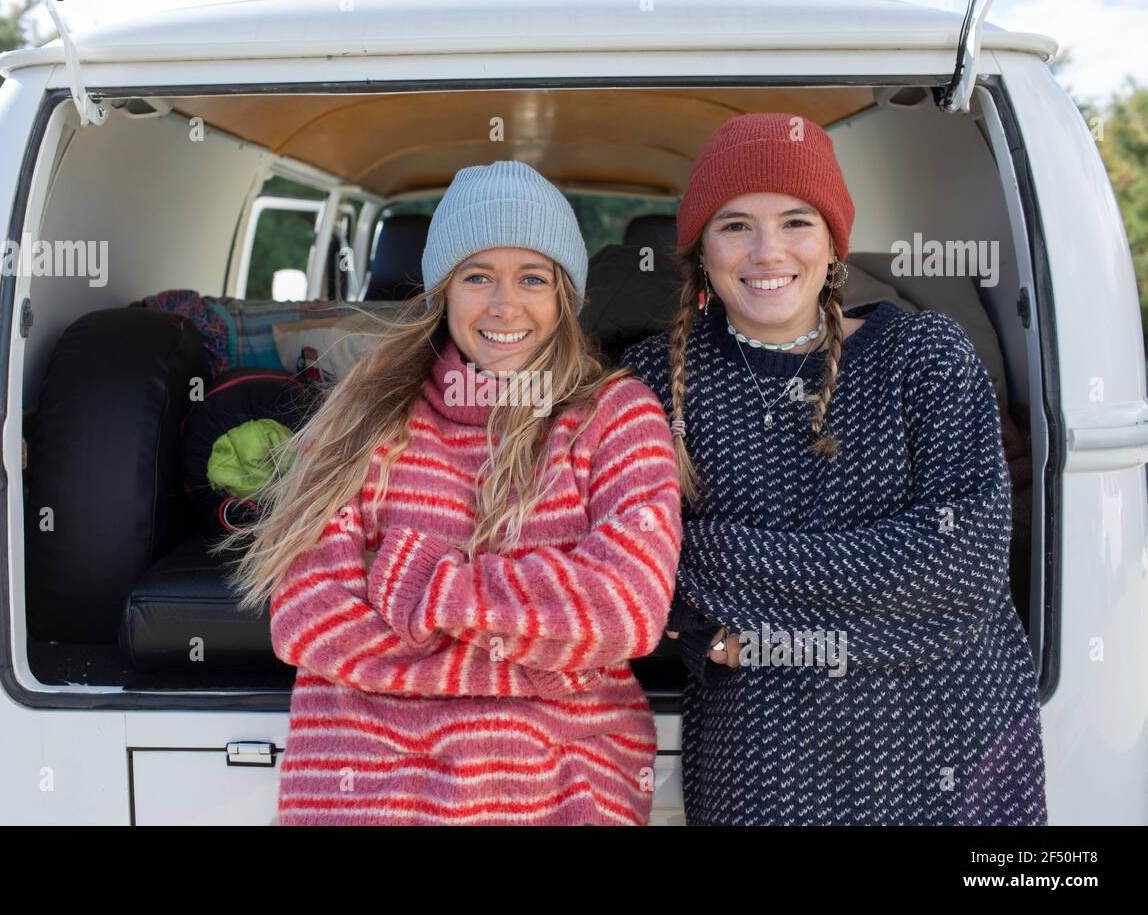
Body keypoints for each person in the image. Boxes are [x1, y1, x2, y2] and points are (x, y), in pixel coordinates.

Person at [224, 159, 681, 825]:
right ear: (442, 291)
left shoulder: (617, 415)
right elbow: (308, 619)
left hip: (560, 790)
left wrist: (421, 588)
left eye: (532, 277)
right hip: (366, 788)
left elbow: (625, 610)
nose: (504, 305)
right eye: (476, 277)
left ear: (567, 296)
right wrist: (539, 654)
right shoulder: (368, 410)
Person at [622, 113, 1048, 825]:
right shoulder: (651, 382)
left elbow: (961, 566)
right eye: (734, 226)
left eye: (796, 222)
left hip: (953, 743)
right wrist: (697, 631)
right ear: (699, 249)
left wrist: (720, 556)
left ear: (832, 241)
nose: (767, 252)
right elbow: (628, 567)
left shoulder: (924, 358)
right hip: (764, 760)